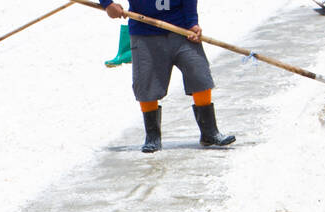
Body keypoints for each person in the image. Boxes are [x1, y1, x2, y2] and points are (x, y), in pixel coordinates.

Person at [98, 0, 236, 152]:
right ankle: (152, 136)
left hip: (181, 30)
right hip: (145, 33)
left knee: (199, 74)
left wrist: (192, 23)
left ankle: (209, 133)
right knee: (146, 84)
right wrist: (108, 4)